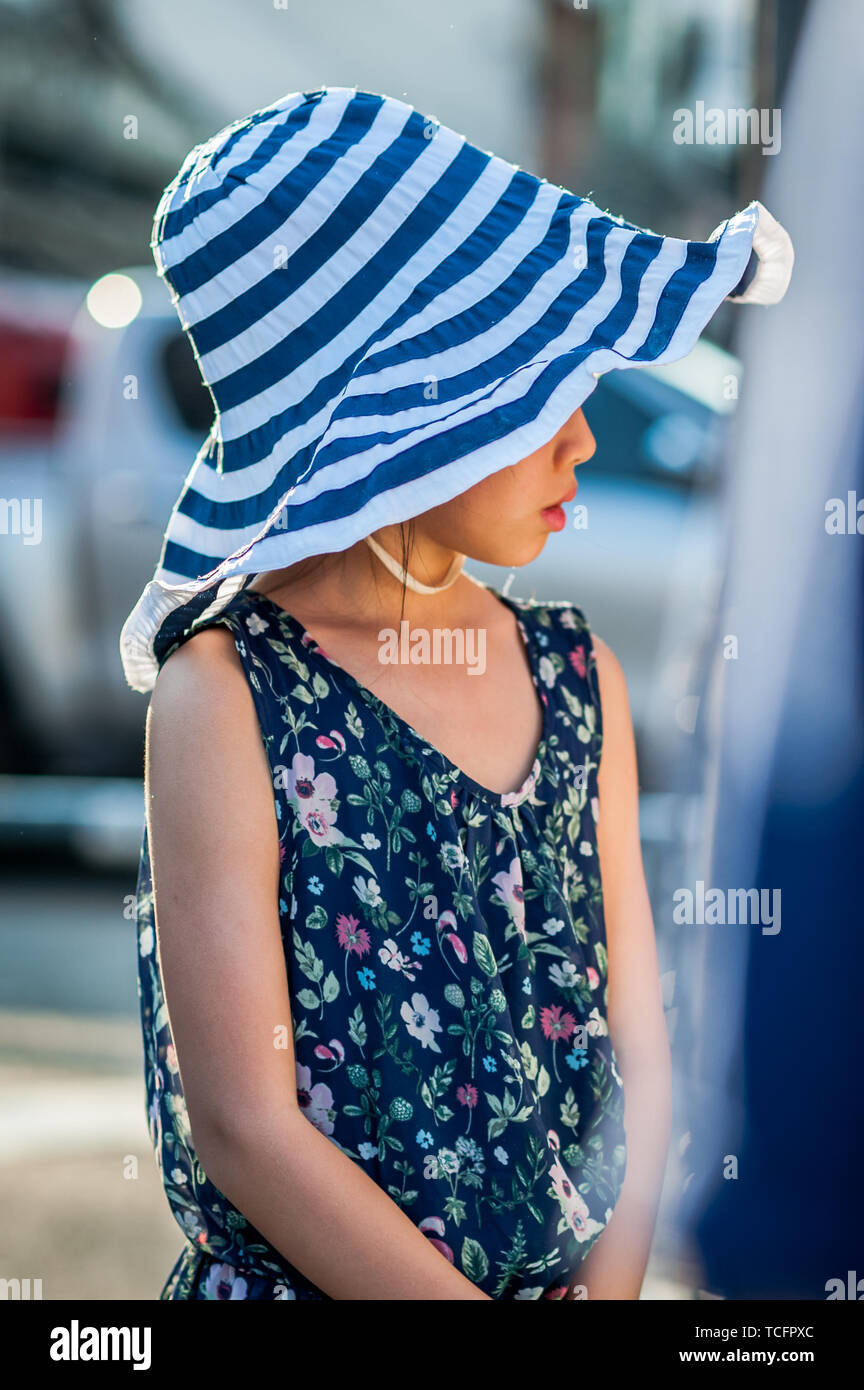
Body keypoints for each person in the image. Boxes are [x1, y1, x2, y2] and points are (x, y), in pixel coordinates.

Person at [120, 86, 791, 1300]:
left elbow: (644, 1049)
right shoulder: (223, 696)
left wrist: (619, 1280)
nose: (582, 438)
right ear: (399, 410)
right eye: (537, 391)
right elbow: (245, 1126)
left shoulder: (577, 677)